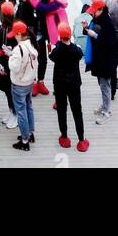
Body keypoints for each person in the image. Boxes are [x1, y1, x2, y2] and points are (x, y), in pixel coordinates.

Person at [50, 21, 88, 152]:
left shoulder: (57, 50)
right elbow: (80, 54)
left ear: (60, 36)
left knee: (62, 110)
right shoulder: (76, 50)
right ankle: (81, 140)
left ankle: (65, 137)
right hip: (74, 84)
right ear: (70, 35)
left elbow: (51, 56)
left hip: (60, 84)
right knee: (77, 111)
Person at [84, 0, 118, 122]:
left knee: (105, 85)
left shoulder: (107, 23)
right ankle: (104, 106)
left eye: (94, 10)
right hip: (99, 59)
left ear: (101, 9)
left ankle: (106, 110)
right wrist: (87, 28)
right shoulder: (97, 19)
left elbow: (109, 42)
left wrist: (96, 35)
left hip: (106, 60)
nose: (92, 13)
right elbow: (93, 33)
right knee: (102, 83)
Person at [7, 21, 38, 150]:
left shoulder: (18, 49)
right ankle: (30, 133)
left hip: (19, 84)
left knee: (21, 111)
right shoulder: (31, 45)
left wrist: (10, 56)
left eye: (15, 34)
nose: (14, 37)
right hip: (29, 82)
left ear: (19, 34)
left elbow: (14, 67)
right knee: (28, 107)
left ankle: (25, 141)